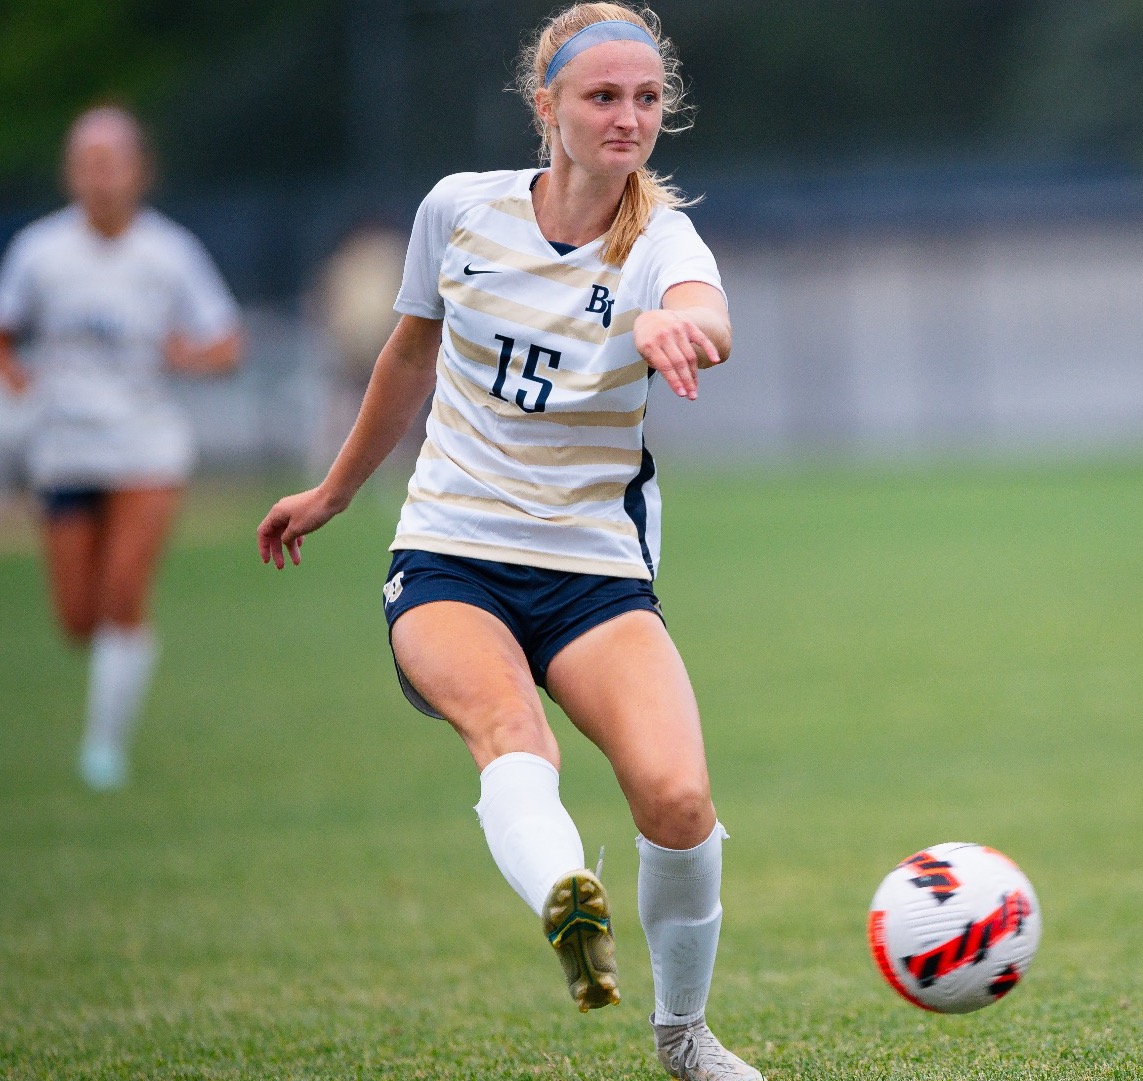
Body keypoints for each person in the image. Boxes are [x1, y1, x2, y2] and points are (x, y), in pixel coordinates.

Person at [254, 6, 758, 1079]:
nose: (628, 118)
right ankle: (567, 894)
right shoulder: (460, 211)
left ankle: (683, 1036)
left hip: (592, 573)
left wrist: (683, 326)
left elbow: (709, 313)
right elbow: (406, 358)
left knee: (677, 800)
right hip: (448, 553)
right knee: (507, 726)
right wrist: (337, 492)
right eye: (603, 97)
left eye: (646, 99)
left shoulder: (663, 240)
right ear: (548, 107)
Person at [0, 105, 243, 789]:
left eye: (112, 163)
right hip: (66, 449)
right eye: (86, 164)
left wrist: (188, 356)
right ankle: (107, 701)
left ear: (139, 171)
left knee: (122, 594)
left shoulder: (168, 253)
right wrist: (18, 384)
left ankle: (103, 749)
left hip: (145, 446)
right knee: (77, 619)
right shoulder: (39, 253)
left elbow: (226, 343)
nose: (99, 178)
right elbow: (6, 328)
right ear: (70, 174)